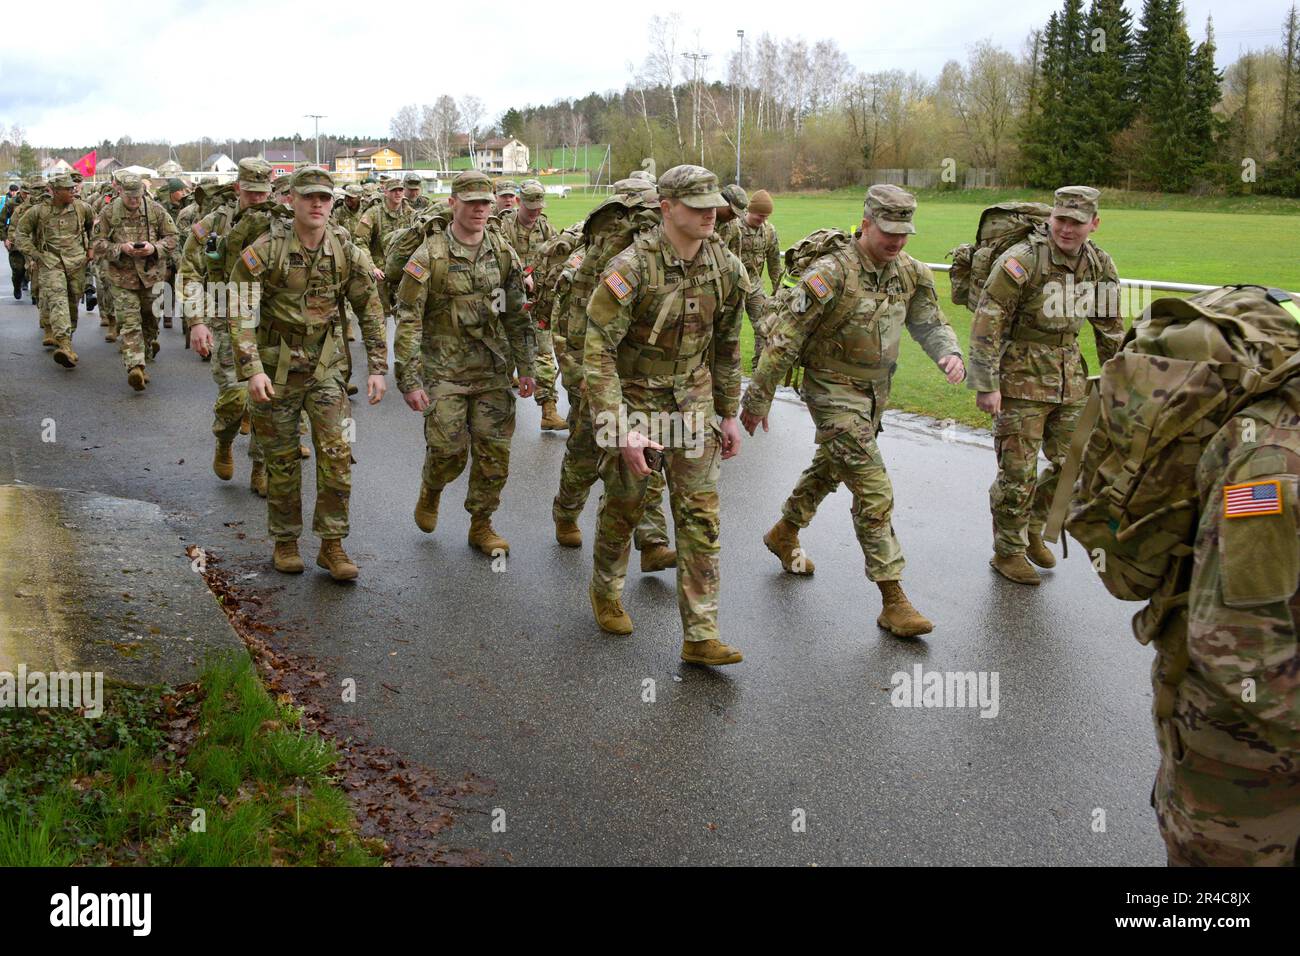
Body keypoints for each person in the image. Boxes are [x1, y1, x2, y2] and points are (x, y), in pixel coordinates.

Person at [741, 185, 966, 638]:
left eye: (904, 233)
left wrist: (949, 353)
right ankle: (893, 599)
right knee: (873, 487)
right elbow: (785, 338)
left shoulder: (911, 273)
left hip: (874, 392)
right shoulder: (831, 273)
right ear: (865, 224)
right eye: (887, 232)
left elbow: (930, 321)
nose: (896, 241)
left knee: (831, 467)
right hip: (830, 388)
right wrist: (757, 399)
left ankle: (784, 531)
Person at [583, 164, 749, 666]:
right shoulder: (631, 268)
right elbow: (597, 352)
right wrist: (619, 428)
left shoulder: (725, 267)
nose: (708, 216)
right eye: (696, 207)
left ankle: (701, 632)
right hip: (637, 406)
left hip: (694, 404)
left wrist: (728, 412)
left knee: (701, 515)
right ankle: (605, 589)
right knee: (626, 505)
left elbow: (727, 343)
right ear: (667, 208)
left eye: (712, 206)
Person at [228, 166, 389, 580]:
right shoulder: (265, 249)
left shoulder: (345, 250)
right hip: (276, 368)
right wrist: (252, 369)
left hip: (325, 368)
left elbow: (369, 308)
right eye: (309, 197)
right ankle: (285, 542)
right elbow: (241, 308)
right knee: (281, 460)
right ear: (291, 200)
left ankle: (332, 545)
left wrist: (377, 367)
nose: (318, 204)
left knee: (337, 453)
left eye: (325, 198)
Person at [968, 185, 1123, 585]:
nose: (1067, 229)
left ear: (1094, 224)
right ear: (1051, 219)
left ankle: (1033, 526)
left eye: (1077, 222)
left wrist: (1120, 384)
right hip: (1018, 379)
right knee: (1017, 473)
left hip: (1069, 378)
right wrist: (986, 384)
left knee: (1079, 462)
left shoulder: (1099, 264)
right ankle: (1008, 552)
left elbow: (1110, 329)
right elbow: (988, 320)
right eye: (1061, 220)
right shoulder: (1021, 260)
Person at [393, 169, 536, 556]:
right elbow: (408, 317)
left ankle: (482, 524)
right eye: (471, 202)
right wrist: (408, 379)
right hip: (442, 369)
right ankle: (432, 487)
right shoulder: (429, 255)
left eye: (485, 203)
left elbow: (516, 314)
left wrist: (528, 367)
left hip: (491, 367)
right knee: (447, 449)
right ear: (453, 203)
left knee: (495, 453)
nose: (479, 209)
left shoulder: (502, 251)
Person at [183, 158, 274, 494]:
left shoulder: (281, 225)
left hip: (271, 318)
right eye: (251, 193)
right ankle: (224, 438)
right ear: (238, 188)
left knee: (270, 399)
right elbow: (190, 270)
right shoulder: (214, 224)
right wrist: (196, 321)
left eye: (263, 194)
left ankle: (261, 467)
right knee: (235, 396)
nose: (258, 200)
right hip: (223, 316)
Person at [90, 172, 179, 391]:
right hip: (121, 277)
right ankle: (135, 367)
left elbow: (173, 238)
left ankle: (146, 350)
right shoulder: (109, 212)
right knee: (129, 322)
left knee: (150, 320)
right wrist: (121, 249)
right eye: (130, 196)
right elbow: (97, 243)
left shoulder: (156, 210)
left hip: (152, 276)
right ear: (120, 191)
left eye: (138, 196)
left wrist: (154, 248)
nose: (134, 200)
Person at [499, 181, 565, 430]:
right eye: (530, 208)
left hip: (537, 300)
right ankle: (498, 412)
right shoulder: (503, 226)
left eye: (539, 208)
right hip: (506, 299)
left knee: (544, 353)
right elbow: (499, 255)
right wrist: (521, 272)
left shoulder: (546, 226)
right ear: (519, 203)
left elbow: (559, 254)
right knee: (504, 353)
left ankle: (549, 411)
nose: (535, 213)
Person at [13, 171, 94, 368]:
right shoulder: (38, 211)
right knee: (58, 301)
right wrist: (35, 254)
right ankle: (64, 344)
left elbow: (94, 230)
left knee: (73, 300)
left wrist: (91, 249)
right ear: (55, 191)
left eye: (73, 188)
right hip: (50, 263)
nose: (73, 192)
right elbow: (20, 234)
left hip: (76, 263)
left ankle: (68, 337)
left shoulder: (83, 208)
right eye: (68, 189)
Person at [733, 189, 783, 371]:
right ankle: (731, 371)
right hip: (733, 288)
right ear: (749, 210)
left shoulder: (769, 231)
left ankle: (758, 370)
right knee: (730, 331)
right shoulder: (733, 227)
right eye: (759, 215)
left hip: (754, 287)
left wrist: (778, 292)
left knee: (765, 328)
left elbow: (775, 263)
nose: (762, 219)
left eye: (766, 216)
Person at [354, 177, 411, 313]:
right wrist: (371, 267)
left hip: (403, 273)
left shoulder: (410, 214)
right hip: (380, 273)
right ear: (385, 192)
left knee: (408, 317)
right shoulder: (373, 213)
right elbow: (360, 242)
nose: (398, 193)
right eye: (393, 190)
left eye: (400, 190)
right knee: (378, 319)